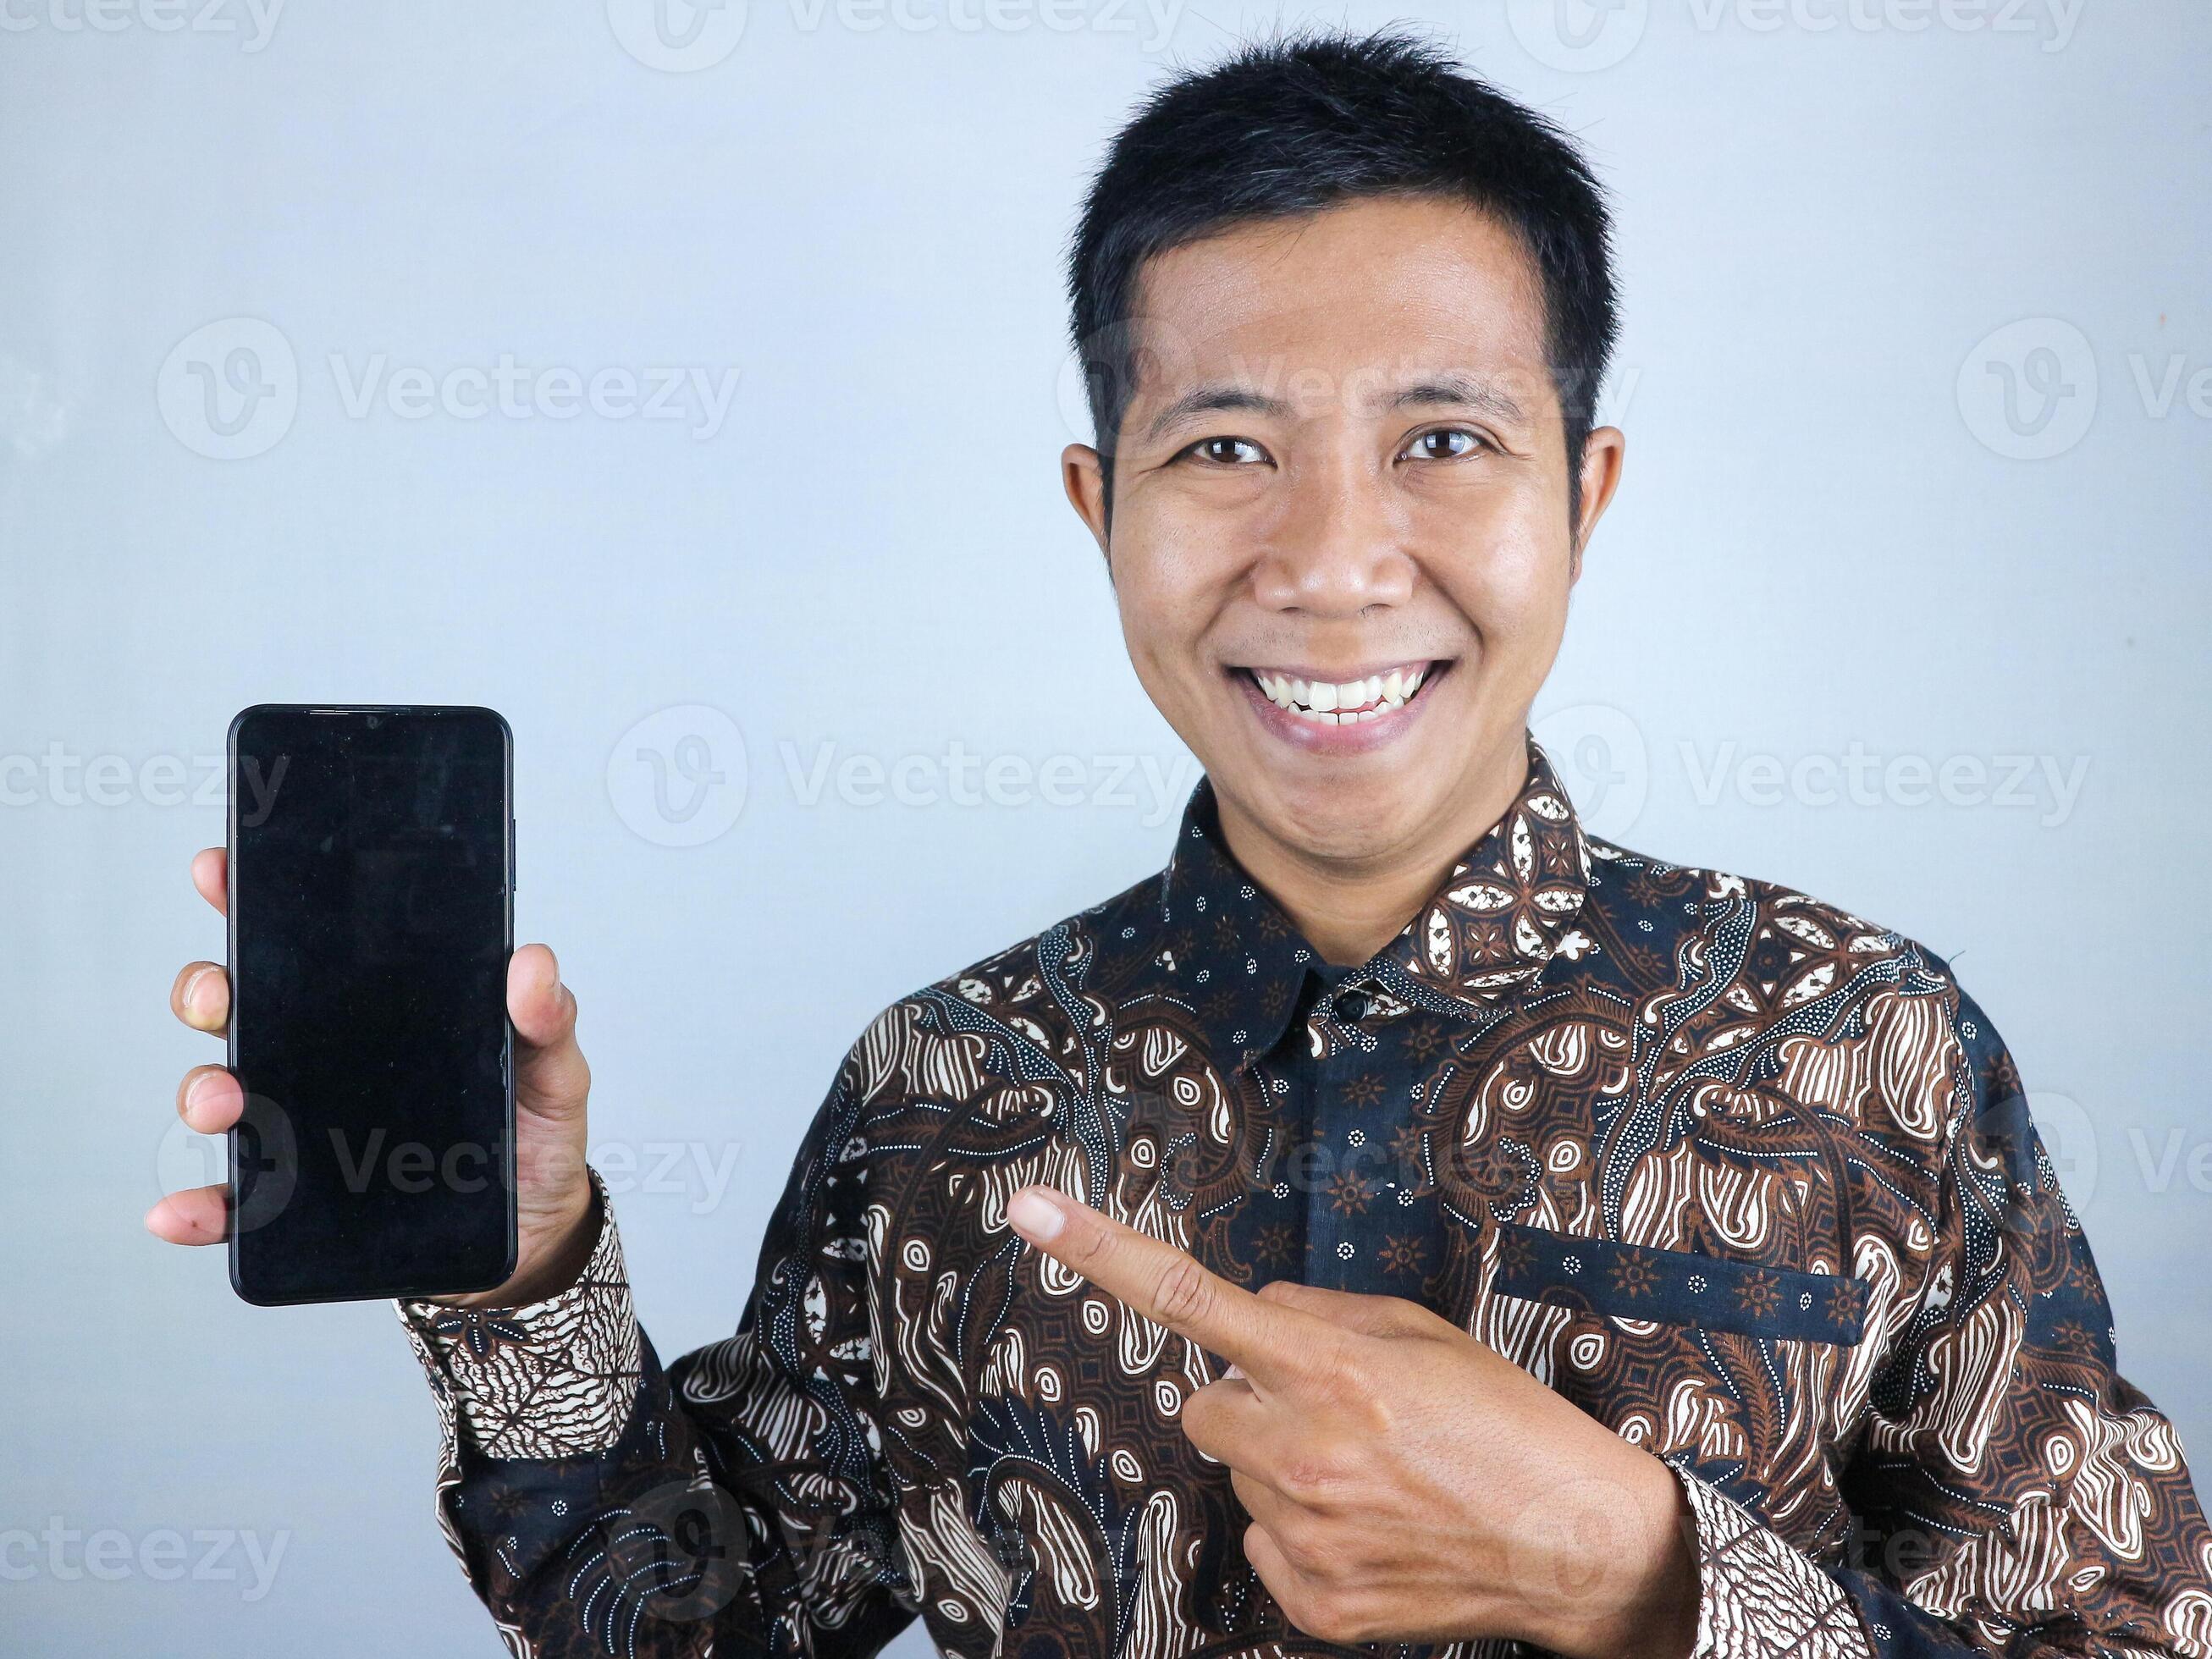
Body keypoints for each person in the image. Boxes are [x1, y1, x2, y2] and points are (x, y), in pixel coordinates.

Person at [152, 29, 2212, 1659]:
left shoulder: (1864, 1046)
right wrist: (521, 1276)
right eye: (1223, 446)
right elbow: (684, 1620)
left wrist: (1627, 1568)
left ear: (1582, 491)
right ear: (1095, 501)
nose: (1326, 563)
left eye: (1442, 439)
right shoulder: (941, 1088)